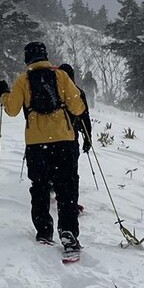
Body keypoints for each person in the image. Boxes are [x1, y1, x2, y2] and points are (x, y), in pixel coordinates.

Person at [0, 41, 87, 258]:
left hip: (37, 144)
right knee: (67, 187)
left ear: (27, 59)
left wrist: (3, 94)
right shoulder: (61, 76)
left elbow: (11, 110)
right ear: (46, 56)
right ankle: (68, 233)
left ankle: (44, 231)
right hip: (64, 141)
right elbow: (77, 107)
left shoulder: (23, 80)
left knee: (39, 186)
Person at [57, 63, 92, 215]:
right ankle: (71, 203)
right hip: (71, 138)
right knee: (71, 171)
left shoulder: (52, 91)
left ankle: (56, 190)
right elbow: (85, 117)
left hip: (51, 136)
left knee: (55, 167)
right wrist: (87, 138)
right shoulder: (78, 92)